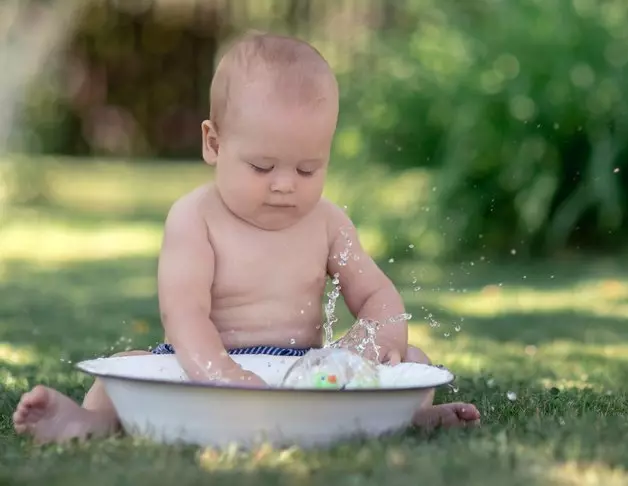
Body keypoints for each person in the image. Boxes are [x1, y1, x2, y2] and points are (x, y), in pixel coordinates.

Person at [13, 31, 481, 444]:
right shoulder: (195, 217)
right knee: (126, 366)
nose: (284, 184)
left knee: (412, 360)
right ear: (213, 144)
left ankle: (411, 418)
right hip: (205, 361)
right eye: (261, 166)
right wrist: (220, 372)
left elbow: (378, 295)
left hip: (302, 372)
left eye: (307, 168)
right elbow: (184, 312)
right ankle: (90, 422)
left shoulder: (327, 221)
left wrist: (374, 337)